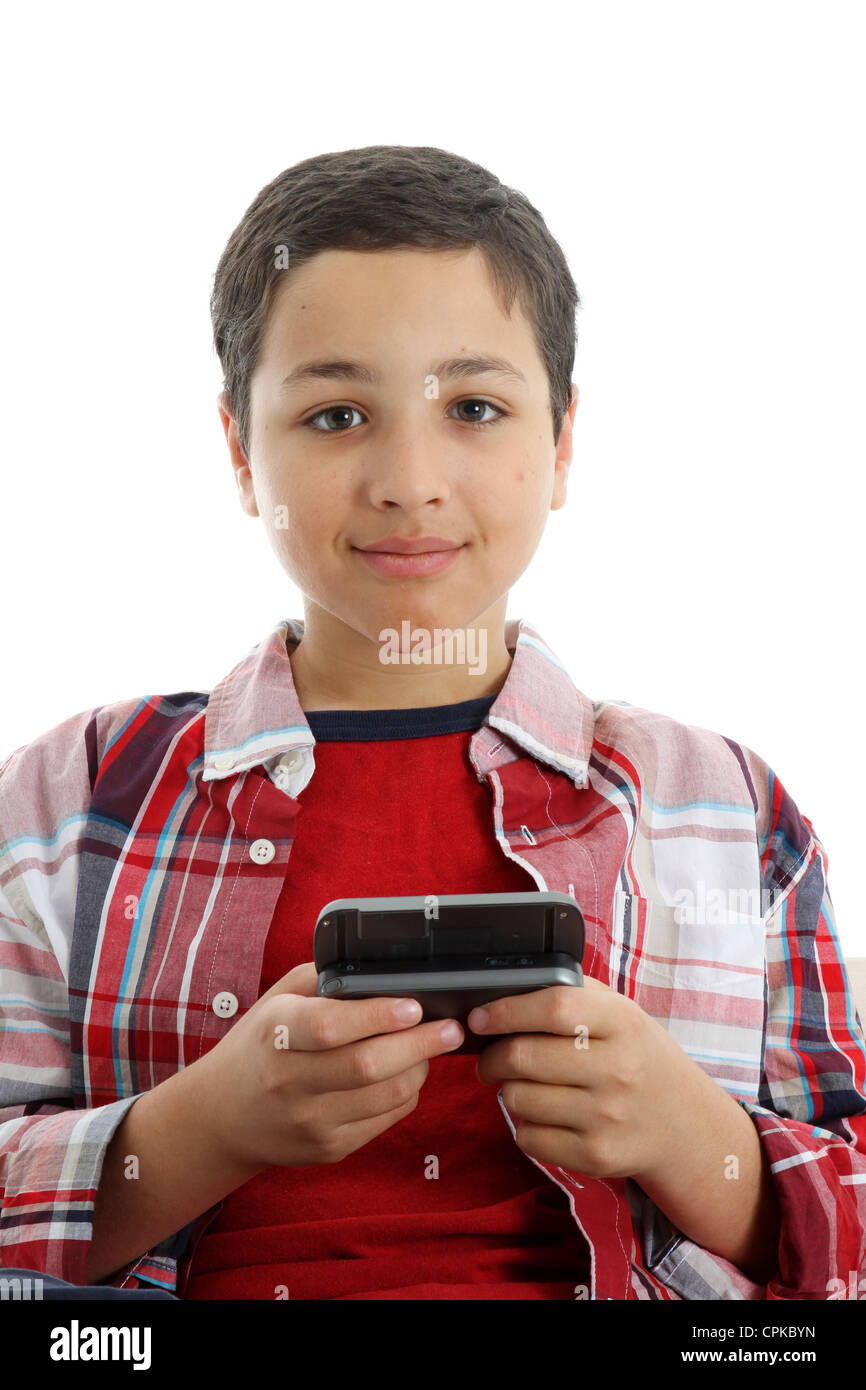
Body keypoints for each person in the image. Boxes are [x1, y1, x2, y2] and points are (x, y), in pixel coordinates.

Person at [1, 145, 864, 1303]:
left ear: (559, 443)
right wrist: (200, 1128)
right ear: (238, 452)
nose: (409, 478)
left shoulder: (721, 805)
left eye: (473, 406)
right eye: (337, 412)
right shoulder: (76, 797)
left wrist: (689, 1136)